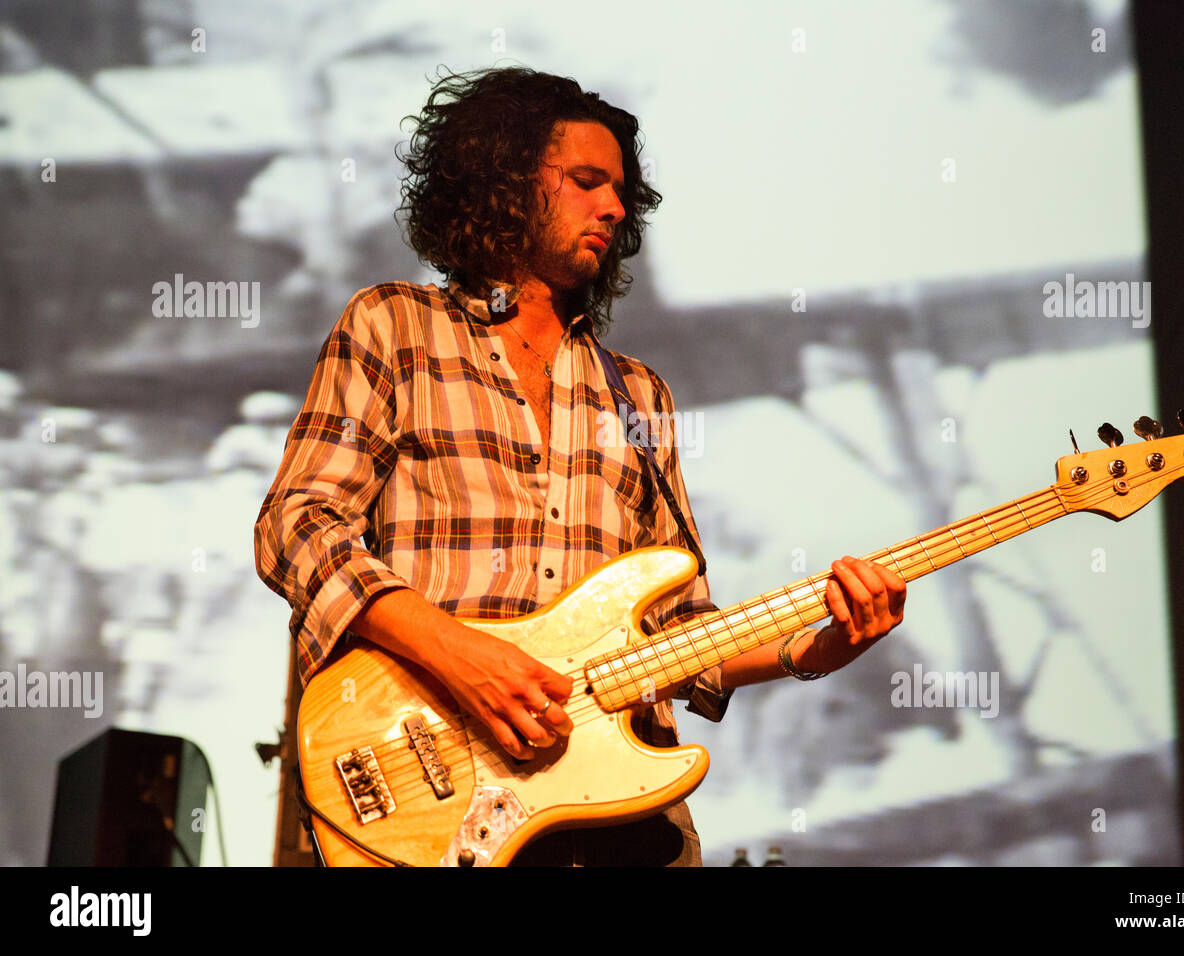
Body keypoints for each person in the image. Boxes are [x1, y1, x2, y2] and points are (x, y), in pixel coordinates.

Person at [253, 66, 906, 866]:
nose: (614, 208)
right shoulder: (396, 325)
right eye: (587, 181)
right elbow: (296, 526)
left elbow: (680, 636)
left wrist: (811, 651)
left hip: (620, 830)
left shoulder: (638, 396)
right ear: (503, 183)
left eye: (622, 193)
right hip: (430, 800)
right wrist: (461, 657)